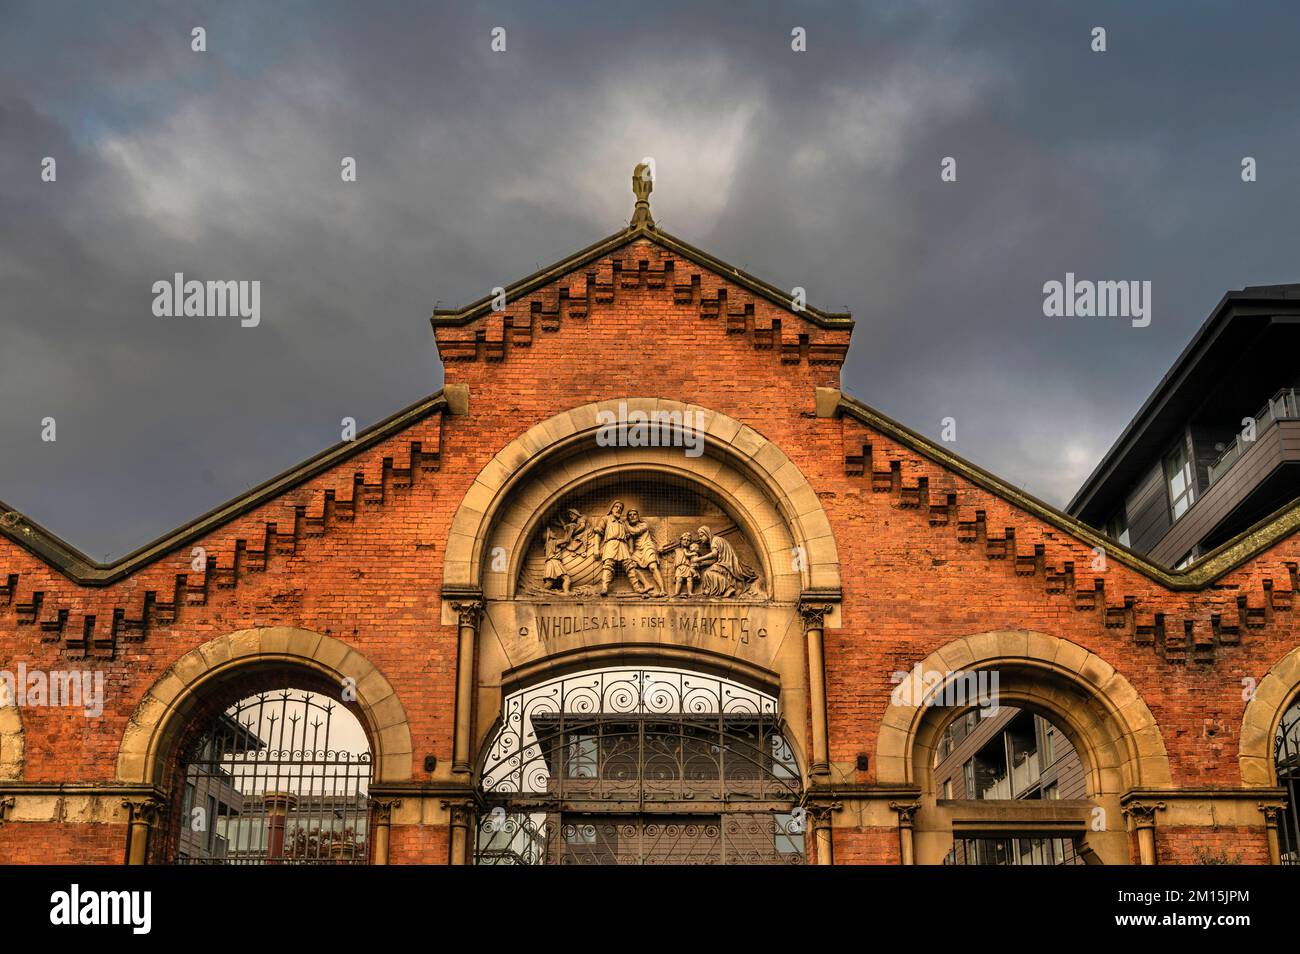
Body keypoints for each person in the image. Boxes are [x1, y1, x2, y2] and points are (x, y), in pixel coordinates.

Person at [692, 525, 758, 598]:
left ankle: (728, 587)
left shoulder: (715, 540)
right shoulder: (717, 540)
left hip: (726, 565)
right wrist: (702, 564)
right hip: (724, 563)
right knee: (708, 572)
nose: (700, 538)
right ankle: (711, 589)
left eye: (701, 536)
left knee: (707, 574)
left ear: (706, 534)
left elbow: (714, 554)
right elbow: (715, 560)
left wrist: (698, 559)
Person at [594, 500, 640, 596]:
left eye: (620, 508)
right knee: (608, 564)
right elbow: (598, 533)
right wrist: (596, 548)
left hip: (622, 545)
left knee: (629, 565)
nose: (618, 509)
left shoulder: (623, 523)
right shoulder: (605, 519)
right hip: (610, 543)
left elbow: (629, 535)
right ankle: (604, 587)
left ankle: (637, 588)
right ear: (611, 508)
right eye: (616, 507)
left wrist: (631, 548)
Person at [626, 509, 666, 596]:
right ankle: (646, 584)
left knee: (653, 567)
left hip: (647, 547)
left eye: (634, 514)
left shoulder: (643, 524)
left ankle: (663, 589)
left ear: (638, 516)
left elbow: (634, 531)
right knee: (631, 566)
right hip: (637, 551)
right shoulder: (628, 529)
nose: (632, 516)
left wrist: (625, 524)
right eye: (630, 515)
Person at [672, 533, 700, 597]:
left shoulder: (690, 551)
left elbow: (695, 558)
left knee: (689, 579)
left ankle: (690, 592)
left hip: (687, 566)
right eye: (684, 539)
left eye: (688, 540)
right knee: (679, 579)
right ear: (681, 541)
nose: (686, 541)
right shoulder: (677, 550)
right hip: (679, 567)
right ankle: (676, 592)